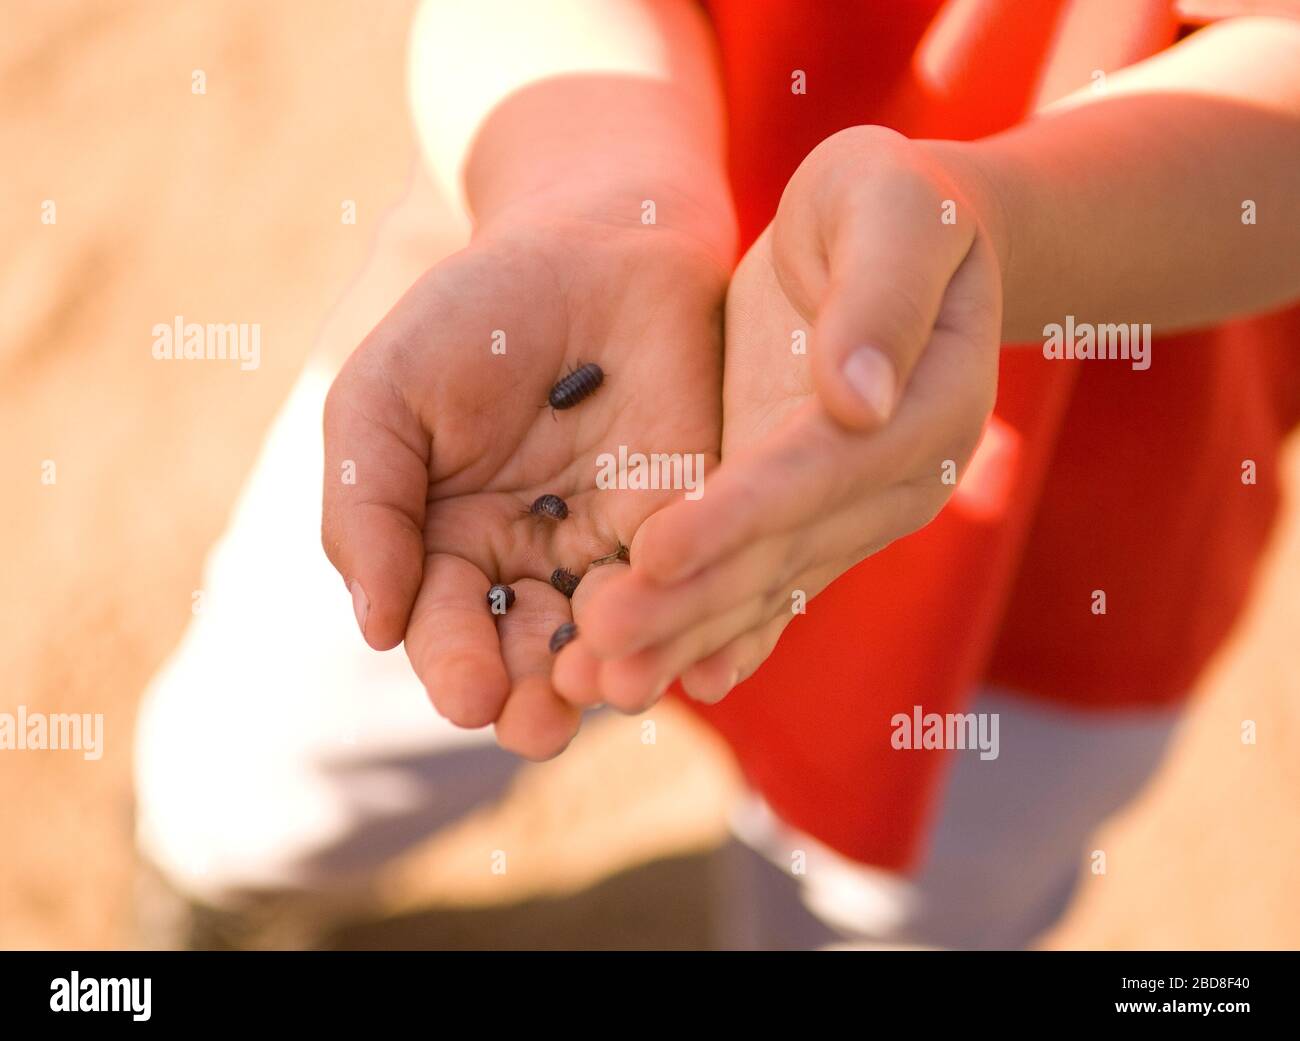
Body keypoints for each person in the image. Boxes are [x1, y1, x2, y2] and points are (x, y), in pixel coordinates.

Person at [137, 0, 1300, 948]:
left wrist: (991, 233)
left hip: (1060, 539)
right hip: (520, 335)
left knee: (897, 906)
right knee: (251, 776)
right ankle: (200, 902)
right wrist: (589, 199)